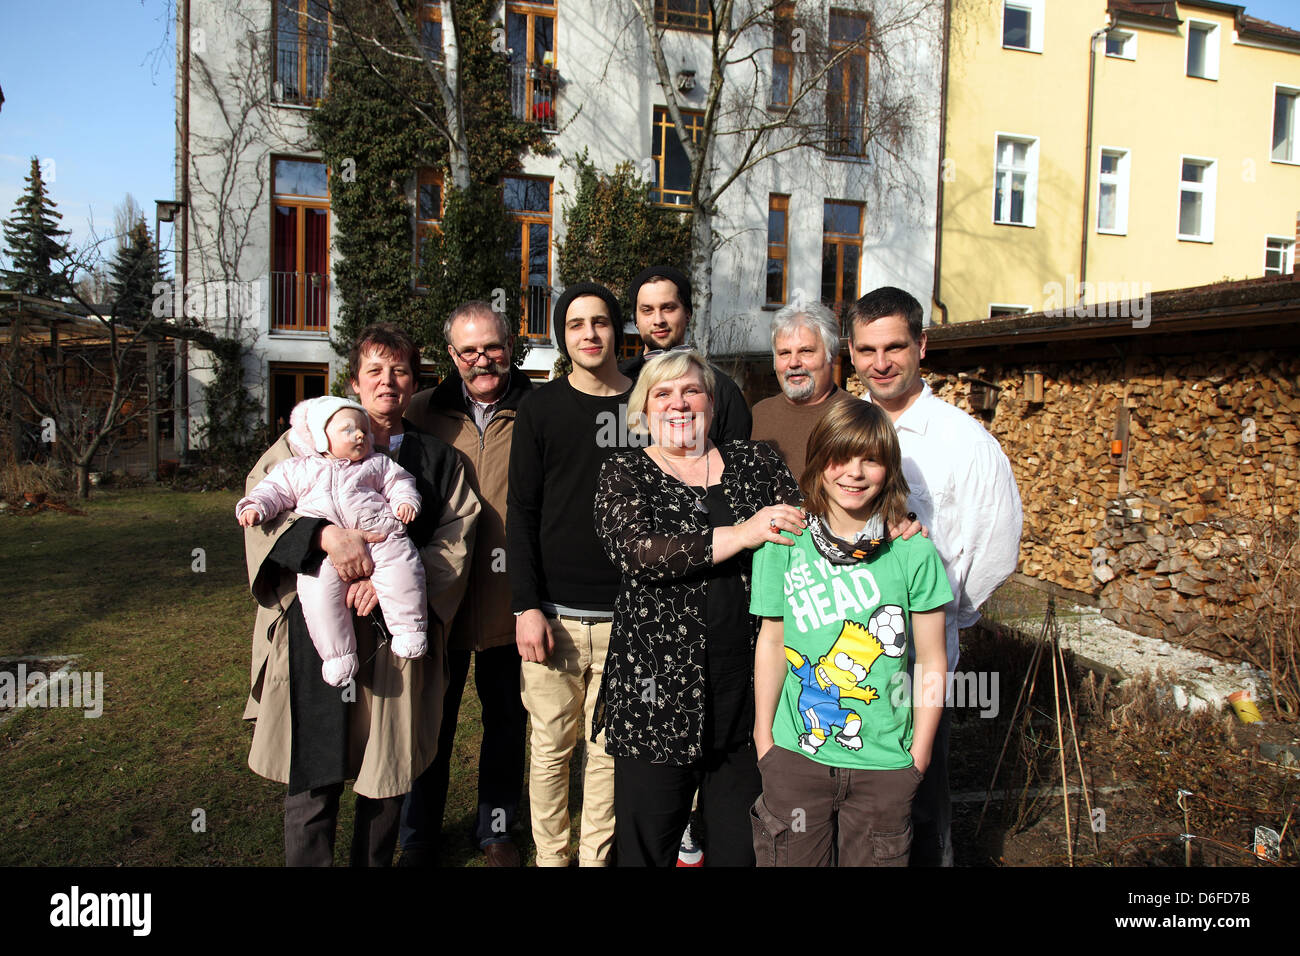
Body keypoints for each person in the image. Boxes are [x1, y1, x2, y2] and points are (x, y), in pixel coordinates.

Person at [241, 322, 480, 867]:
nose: (387, 381)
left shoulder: (438, 462)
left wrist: (387, 575)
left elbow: (458, 540)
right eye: (374, 369)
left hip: (394, 634)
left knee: (385, 771)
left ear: (414, 380)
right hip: (316, 628)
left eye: (399, 370)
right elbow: (261, 510)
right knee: (314, 769)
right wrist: (323, 537)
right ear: (354, 380)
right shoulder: (302, 445)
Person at [592, 348, 806, 867]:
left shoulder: (758, 461)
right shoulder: (624, 472)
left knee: (740, 844)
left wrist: (888, 531)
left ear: (711, 402)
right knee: (647, 843)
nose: (678, 403)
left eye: (691, 390)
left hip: (748, 682)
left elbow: (807, 529)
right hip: (655, 689)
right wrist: (745, 532)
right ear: (642, 410)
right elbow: (639, 552)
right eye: (662, 393)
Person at [847, 286, 1023, 867]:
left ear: (922, 345)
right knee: (851, 808)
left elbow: (995, 549)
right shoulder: (844, 429)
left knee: (919, 805)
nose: (881, 362)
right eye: (868, 349)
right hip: (839, 655)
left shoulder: (965, 445)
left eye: (895, 346)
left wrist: (944, 618)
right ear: (851, 353)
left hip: (917, 664)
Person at [749, 399, 953, 866]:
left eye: (871, 459)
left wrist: (917, 759)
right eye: (840, 457)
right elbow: (773, 641)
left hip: (885, 767)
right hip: (795, 761)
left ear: (890, 468)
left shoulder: (912, 552)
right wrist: (766, 741)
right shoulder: (785, 542)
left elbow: (932, 660)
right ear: (819, 460)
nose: (854, 473)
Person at [403, 301, 532, 867]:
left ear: (512, 345)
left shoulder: (540, 408)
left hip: (513, 601)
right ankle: (416, 836)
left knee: (506, 723)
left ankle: (498, 829)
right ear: (452, 356)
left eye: (493, 347)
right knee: (431, 722)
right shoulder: (420, 412)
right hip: (442, 599)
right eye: (469, 350)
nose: (483, 360)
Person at [507, 281, 632, 867]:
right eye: (577, 323)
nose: (589, 334)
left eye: (600, 322)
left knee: (608, 754)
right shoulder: (541, 407)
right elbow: (522, 512)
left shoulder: (647, 405)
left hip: (626, 618)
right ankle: (552, 859)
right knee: (552, 752)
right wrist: (526, 605)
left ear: (616, 329)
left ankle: (595, 858)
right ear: (563, 334)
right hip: (554, 618)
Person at [238, 396, 427, 688]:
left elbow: (400, 482)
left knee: (403, 569)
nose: (360, 435)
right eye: (348, 430)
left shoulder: (376, 463)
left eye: (364, 429)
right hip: (325, 556)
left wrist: (405, 500)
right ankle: (337, 654)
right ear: (321, 437)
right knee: (317, 596)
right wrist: (255, 506)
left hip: (380, 534)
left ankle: (408, 629)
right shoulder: (298, 469)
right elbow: (273, 490)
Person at [621, 265, 752, 444]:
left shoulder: (722, 390)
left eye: (668, 308)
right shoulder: (617, 385)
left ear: (688, 313)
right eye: (647, 310)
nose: (658, 320)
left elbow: (737, 464)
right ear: (636, 319)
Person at [751, 300, 859, 481]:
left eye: (806, 351)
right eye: (784, 353)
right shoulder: (758, 414)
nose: (793, 363)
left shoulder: (857, 416)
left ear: (831, 357)